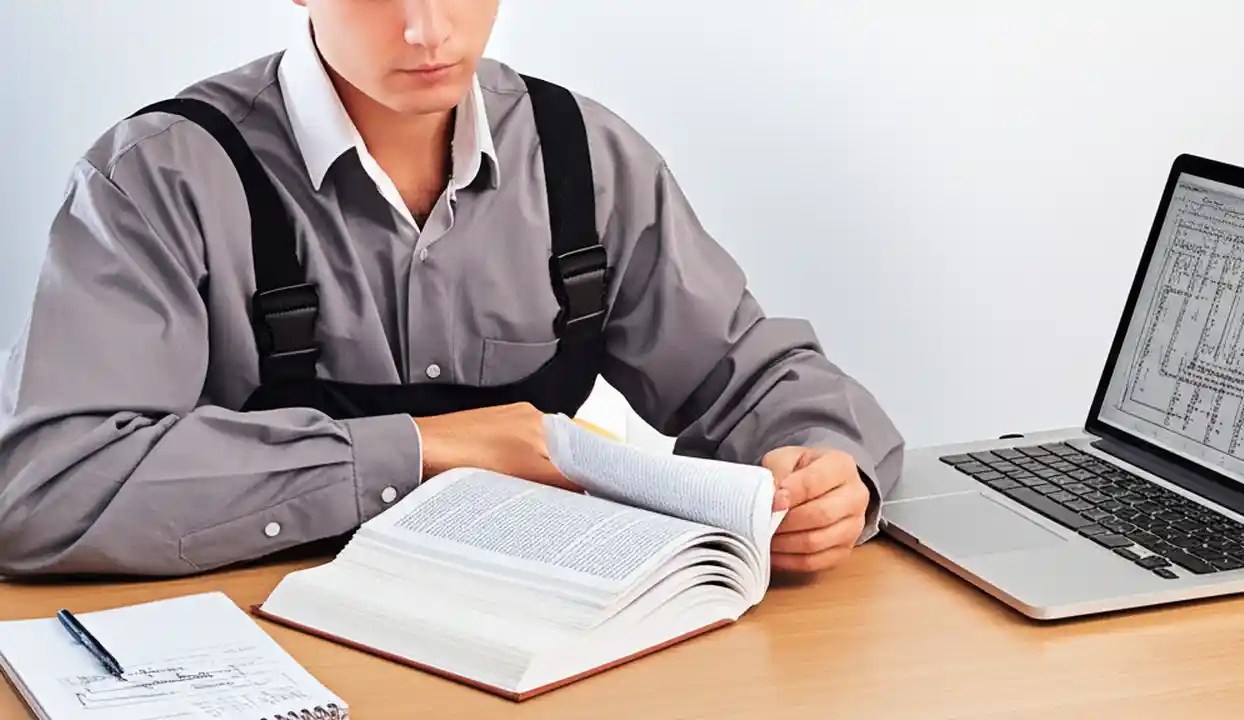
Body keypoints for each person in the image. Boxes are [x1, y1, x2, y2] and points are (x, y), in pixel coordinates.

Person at [0, 0, 903, 578]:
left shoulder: (584, 155)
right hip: (254, 661)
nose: (427, 28)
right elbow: (44, 491)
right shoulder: (159, 176)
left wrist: (827, 468)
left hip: (535, 638)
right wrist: (425, 450)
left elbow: (753, 374)